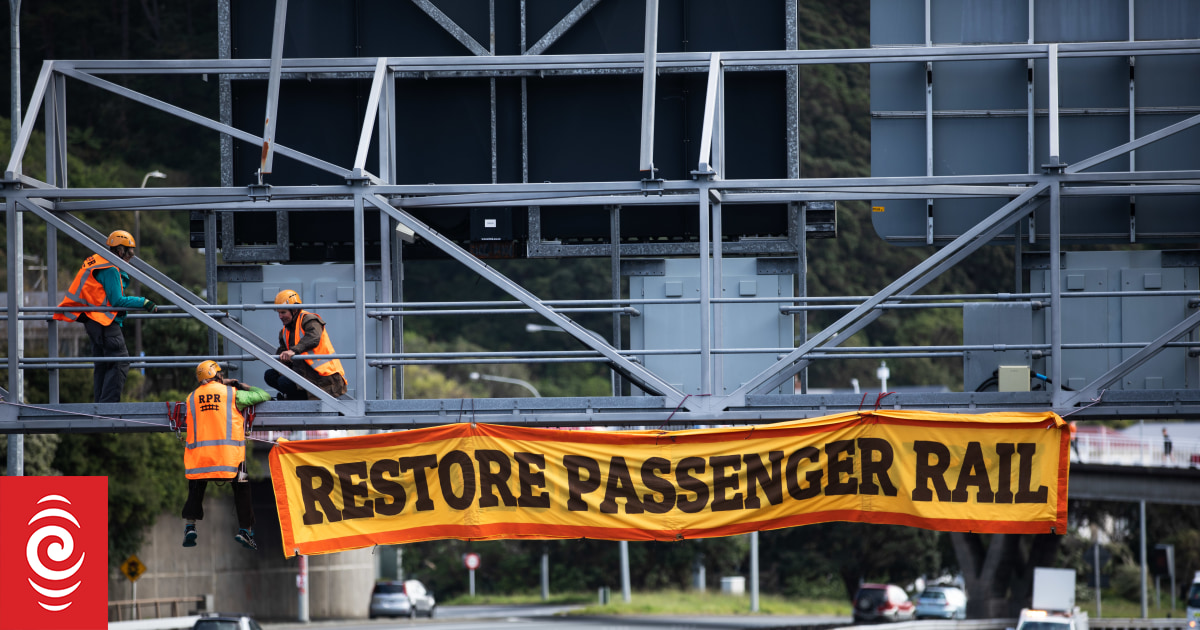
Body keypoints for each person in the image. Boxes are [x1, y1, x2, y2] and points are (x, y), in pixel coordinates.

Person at [54, 230, 158, 403]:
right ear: (119, 250)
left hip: (92, 320)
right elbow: (117, 300)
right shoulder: (109, 268)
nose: (131, 255)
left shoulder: (97, 260)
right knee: (120, 362)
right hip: (103, 322)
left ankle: (100, 406)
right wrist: (144, 302)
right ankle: (108, 406)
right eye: (129, 251)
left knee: (103, 364)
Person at [181, 360, 270, 550]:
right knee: (242, 487)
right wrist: (239, 385)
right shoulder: (232, 394)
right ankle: (245, 530)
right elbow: (263, 395)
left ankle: (190, 525)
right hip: (231, 460)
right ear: (217, 375)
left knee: (196, 485)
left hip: (201, 459)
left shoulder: (191, 398)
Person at [263, 289, 348, 401]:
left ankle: (299, 399)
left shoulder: (309, 319)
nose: (280, 316)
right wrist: (281, 364)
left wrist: (294, 351)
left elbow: (313, 337)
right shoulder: (284, 331)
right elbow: (281, 352)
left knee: (284, 382)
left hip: (323, 377)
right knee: (270, 375)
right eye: (278, 312)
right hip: (304, 373)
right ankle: (295, 398)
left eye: (283, 312)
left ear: (294, 310)